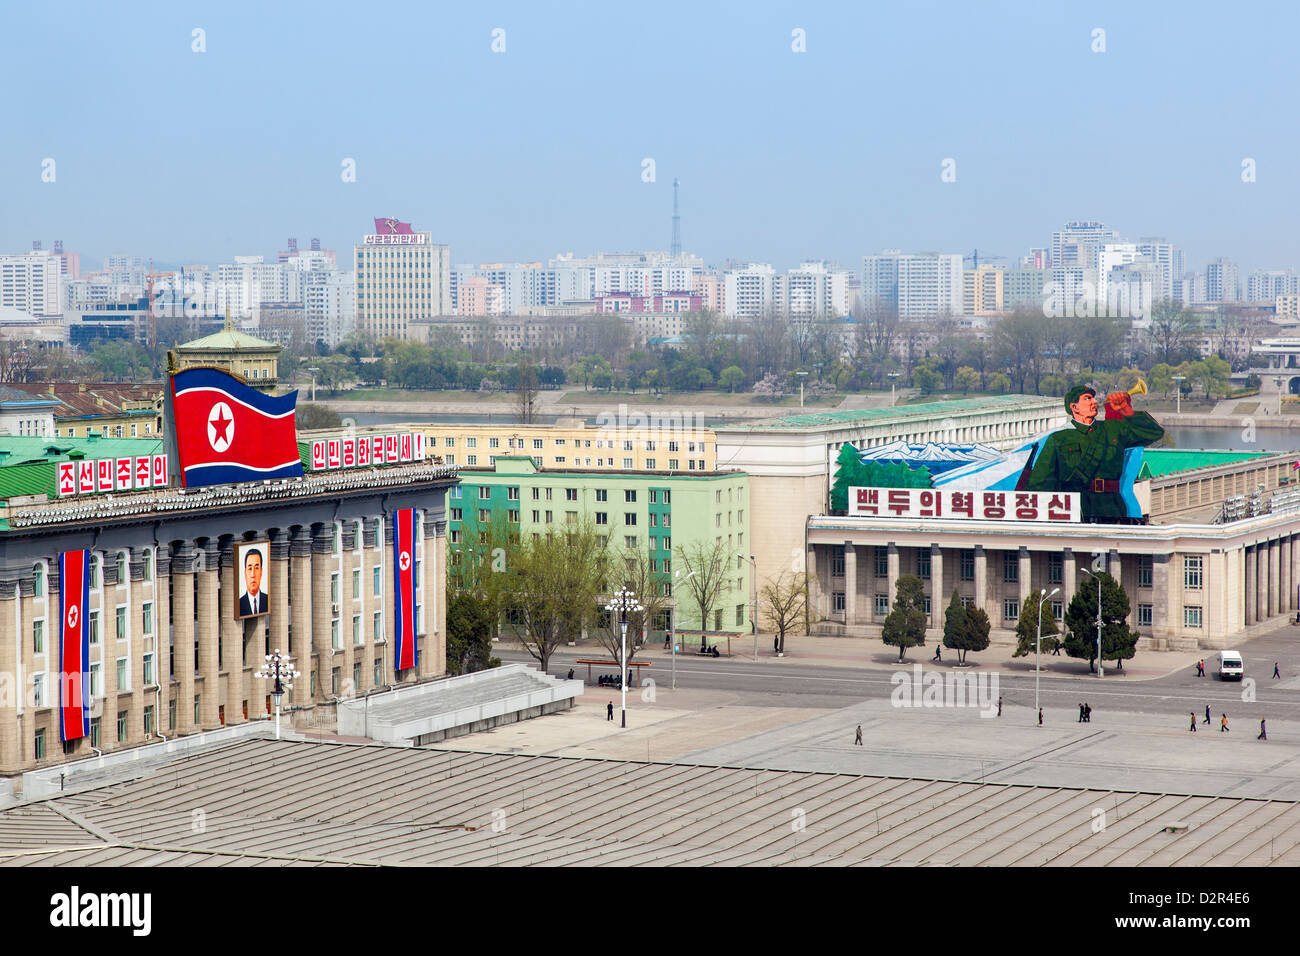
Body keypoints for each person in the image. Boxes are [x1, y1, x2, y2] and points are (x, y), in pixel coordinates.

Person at [1026, 385, 1164, 523]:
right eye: (1087, 398)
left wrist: (1126, 410)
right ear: (1074, 407)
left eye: (1093, 398)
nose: (1094, 402)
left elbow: (1155, 432)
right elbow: (1040, 483)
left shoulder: (1112, 428)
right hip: (1074, 508)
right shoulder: (1059, 439)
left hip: (1111, 507)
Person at [238, 547, 268, 617]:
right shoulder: (239, 604)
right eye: (250, 568)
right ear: (245, 573)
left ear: (261, 572)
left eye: (256, 568)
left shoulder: (268, 600)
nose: (253, 574)